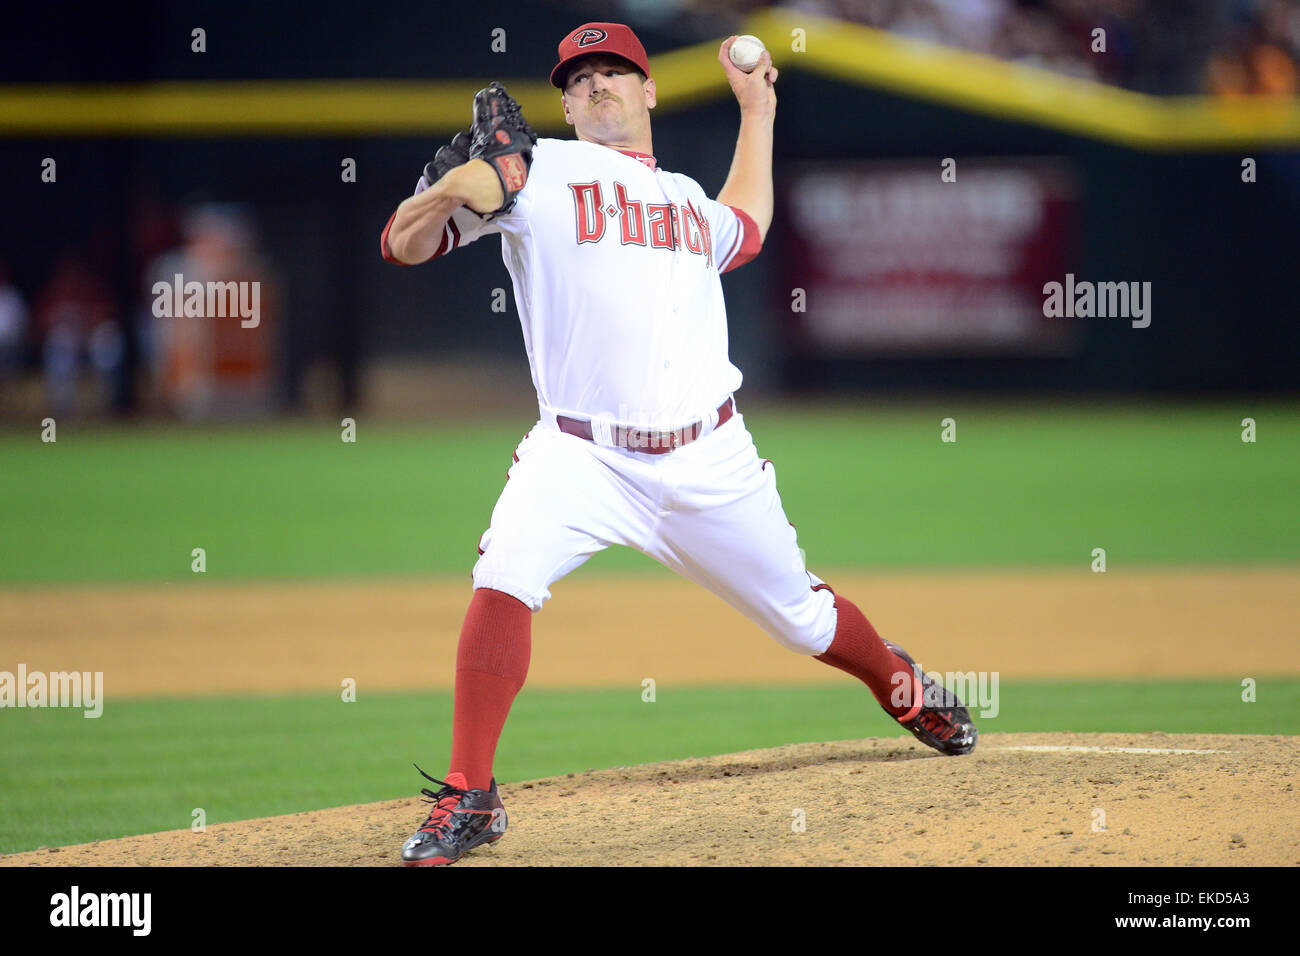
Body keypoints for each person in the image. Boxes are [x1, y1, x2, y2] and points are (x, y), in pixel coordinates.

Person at [381, 21, 977, 867]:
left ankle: (898, 684)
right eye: (579, 78)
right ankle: (470, 792)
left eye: (614, 72)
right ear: (562, 103)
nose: (597, 86)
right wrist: (448, 190)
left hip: (710, 458)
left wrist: (757, 111)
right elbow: (402, 244)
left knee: (804, 620)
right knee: (503, 575)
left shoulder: (689, 201)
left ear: (649, 89)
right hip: (580, 455)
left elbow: (750, 223)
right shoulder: (535, 171)